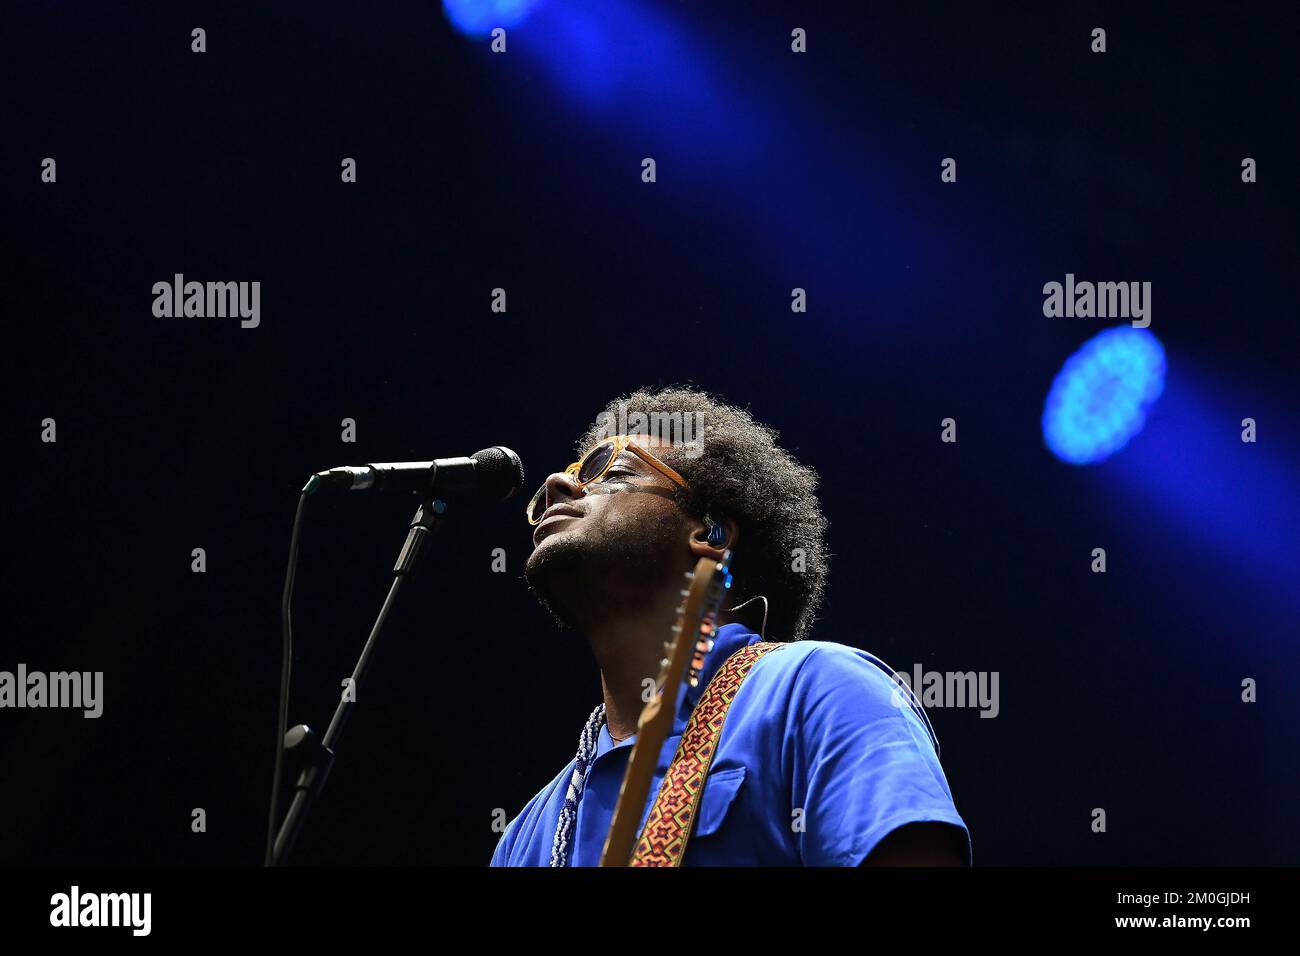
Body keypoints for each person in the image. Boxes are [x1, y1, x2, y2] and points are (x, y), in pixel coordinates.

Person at [492, 387, 970, 866]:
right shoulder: (526, 836)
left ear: (710, 535)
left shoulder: (821, 689)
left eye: (612, 473)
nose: (557, 483)